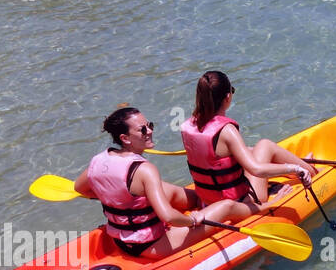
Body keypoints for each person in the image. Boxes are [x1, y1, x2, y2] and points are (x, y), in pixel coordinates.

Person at [74, 106, 243, 258]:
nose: (149, 131)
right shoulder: (145, 170)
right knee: (227, 206)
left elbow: (80, 188)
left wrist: (114, 198)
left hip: (121, 240)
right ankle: (264, 207)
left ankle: (201, 201)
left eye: (150, 125)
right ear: (125, 138)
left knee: (169, 190)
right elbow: (168, 216)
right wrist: (193, 220)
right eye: (142, 130)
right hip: (152, 245)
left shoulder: (98, 160)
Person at [180, 70, 317, 215]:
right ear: (227, 97)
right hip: (240, 203)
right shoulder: (227, 131)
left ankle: (302, 167)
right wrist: (294, 168)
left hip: (207, 202)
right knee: (265, 145)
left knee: (255, 149)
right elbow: (256, 170)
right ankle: (310, 171)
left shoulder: (188, 126)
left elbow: (214, 158)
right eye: (232, 91)